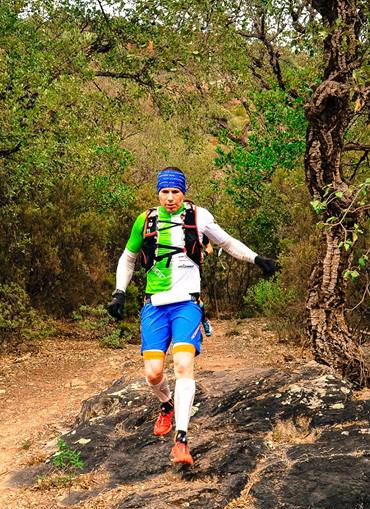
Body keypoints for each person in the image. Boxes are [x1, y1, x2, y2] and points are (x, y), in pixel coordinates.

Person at [106, 167, 279, 465]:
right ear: (158, 192)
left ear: (184, 191)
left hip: (187, 304)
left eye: (175, 191)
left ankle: (182, 439)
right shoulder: (144, 220)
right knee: (153, 374)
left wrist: (256, 259)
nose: (170, 198)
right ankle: (167, 404)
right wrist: (119, 291)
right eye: (165, 192)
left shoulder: (199, 216)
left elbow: (226, 242)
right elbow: (129, 258)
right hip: (154, 305)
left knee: (183, 366)